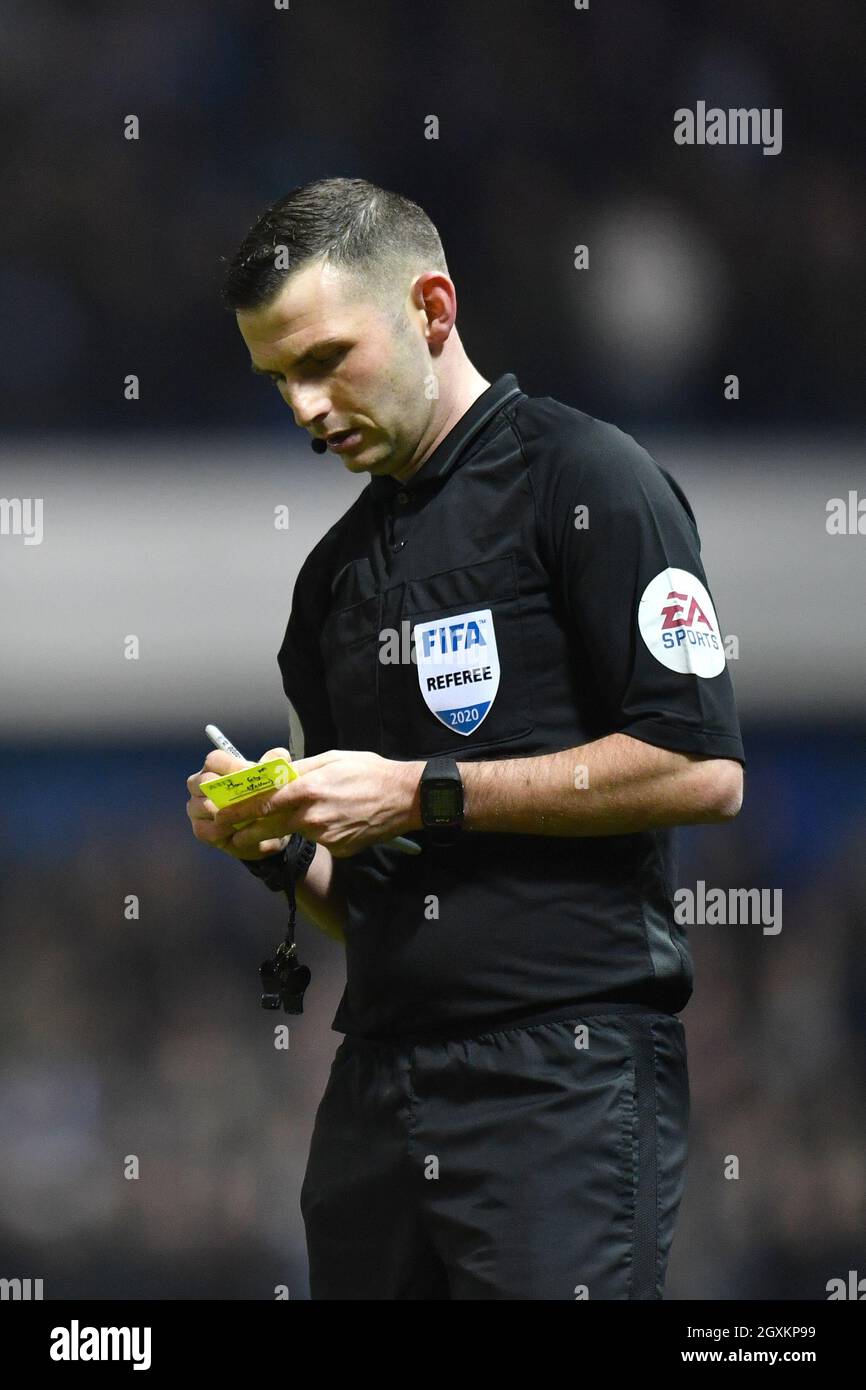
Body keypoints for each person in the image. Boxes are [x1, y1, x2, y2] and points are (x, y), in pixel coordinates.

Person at [186, 177, 745, 1300]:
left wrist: (418, 791)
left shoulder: (588, 482)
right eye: (277, 378)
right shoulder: (329, 581)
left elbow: (700, 766)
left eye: (324, 358)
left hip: (563, 1082)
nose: (302, 405)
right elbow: (370, 898)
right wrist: (280, 841)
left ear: (431, 309)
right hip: (378, 1088)